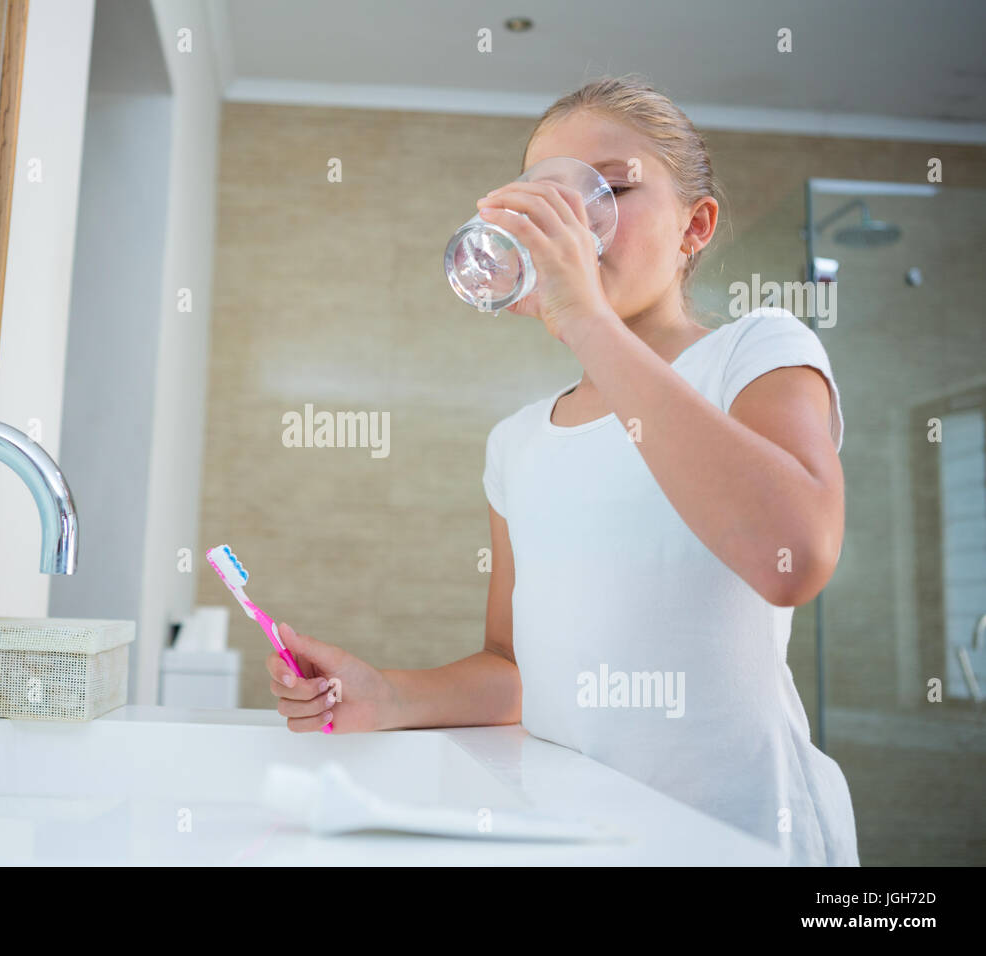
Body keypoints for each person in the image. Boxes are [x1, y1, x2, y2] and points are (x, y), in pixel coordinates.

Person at [265, 74, 858, 866]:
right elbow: (516, 670)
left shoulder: (755, 351)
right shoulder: (517, 442)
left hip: (741, 834)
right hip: (576, 833)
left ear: (695, 226)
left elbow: (796, 555)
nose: (579, 223)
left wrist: (587, 317)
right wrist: (390, 694)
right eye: (552, 197)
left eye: (610, 189)